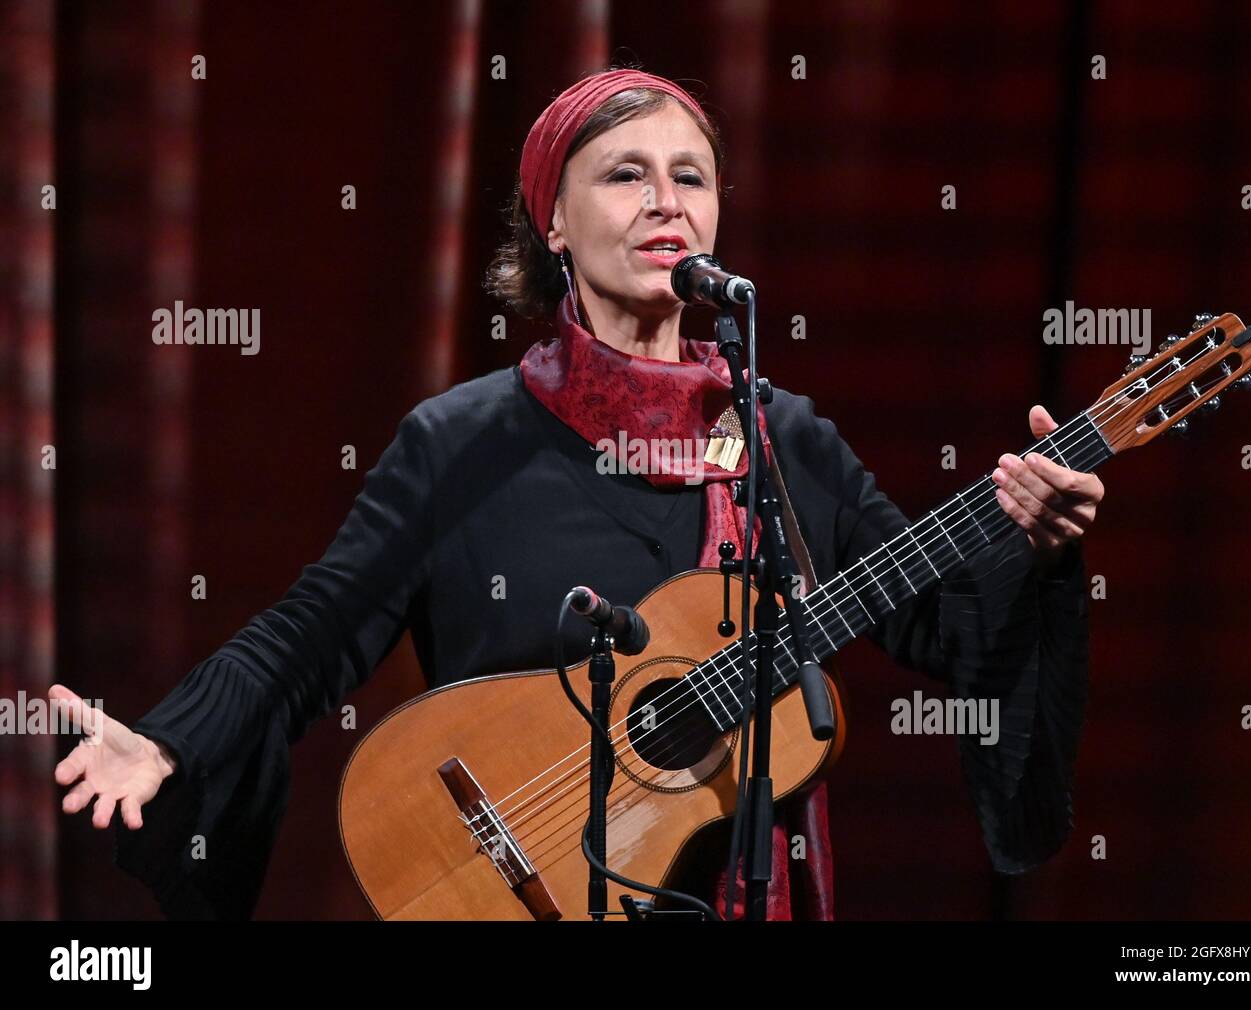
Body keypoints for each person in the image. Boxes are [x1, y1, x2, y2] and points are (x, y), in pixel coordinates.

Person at [49, 68, 1104, 920]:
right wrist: (170, 738)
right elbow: (310, 634)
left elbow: (941, 621)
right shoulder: (462, 441)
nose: (666, 202)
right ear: (551, 219)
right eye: (626, 175)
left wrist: (1035, 547)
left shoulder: (783, 439)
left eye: (691, 177)